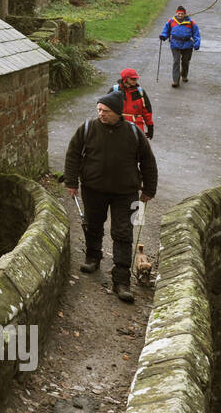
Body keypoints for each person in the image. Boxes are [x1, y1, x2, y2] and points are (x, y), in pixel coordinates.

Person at [63, 90, 158, 303]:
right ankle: (92, 257)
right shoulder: (87, 128)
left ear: (117, 112)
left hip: (127, 193)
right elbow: (73, 154)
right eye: (99, 110)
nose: (101, 114)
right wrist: (71, 181)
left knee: (124, 233)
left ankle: (122, 280)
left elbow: (148, 162)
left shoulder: (134, 132)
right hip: (92, 188)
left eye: (105, 111)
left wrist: (149, 190)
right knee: (92, 224)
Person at [159, 5, 200, 87]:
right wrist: (163, 36)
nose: (180, 15)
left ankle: (184, 75)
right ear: (176, 13)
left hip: (187, 45)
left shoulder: (191, 23)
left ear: (185, 14)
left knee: (185, 61)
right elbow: (166, 31)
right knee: (176, 62)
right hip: (175, 44)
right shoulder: (171, 21)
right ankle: (175, 81)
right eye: (179, 13)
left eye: (182, 14)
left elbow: (196, 34)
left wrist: (197, 43)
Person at [108, 67, 154, 140]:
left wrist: (150, 126)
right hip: (118, 126)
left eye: (136, 78)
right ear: (125, 79)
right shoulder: (114, 90)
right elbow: (105, 108)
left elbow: (147, 111)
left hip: (136, 128)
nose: (135, 80)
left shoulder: (140, 92)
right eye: (132, 79)